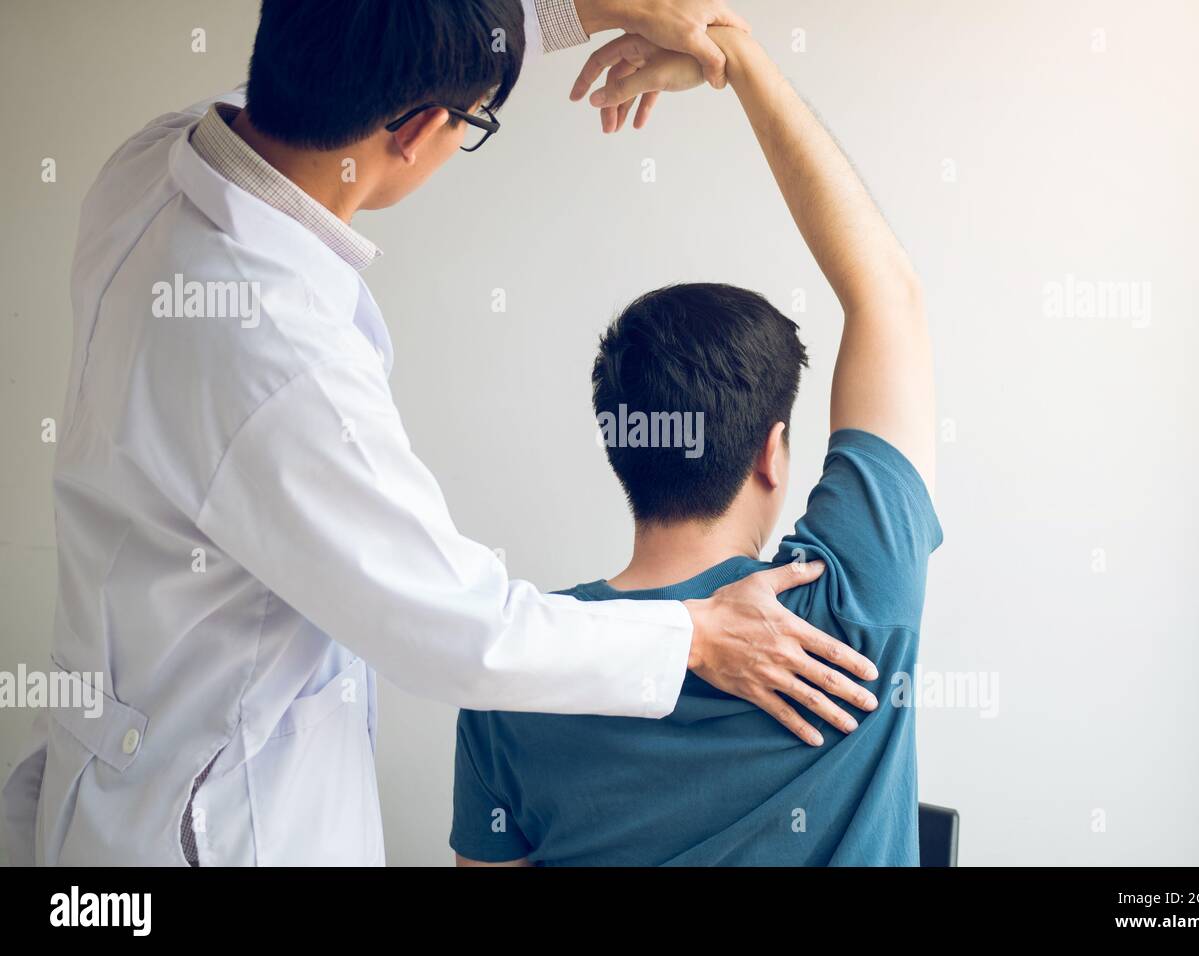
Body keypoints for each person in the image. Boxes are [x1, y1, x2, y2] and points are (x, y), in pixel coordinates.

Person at [1, 0, 879, 867]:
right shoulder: (280, 361)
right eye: (473, 120)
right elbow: (466, 630)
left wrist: (569, 14)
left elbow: (359, 42)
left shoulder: (150, 165)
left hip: (114, 778)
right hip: (212, 828)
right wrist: (693, 635)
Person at [451, 24, 940, 866]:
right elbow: (885, 292)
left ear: (621, 444)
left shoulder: (519, 674)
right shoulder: (849, 602)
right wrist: (734, 57)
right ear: (771, 454)